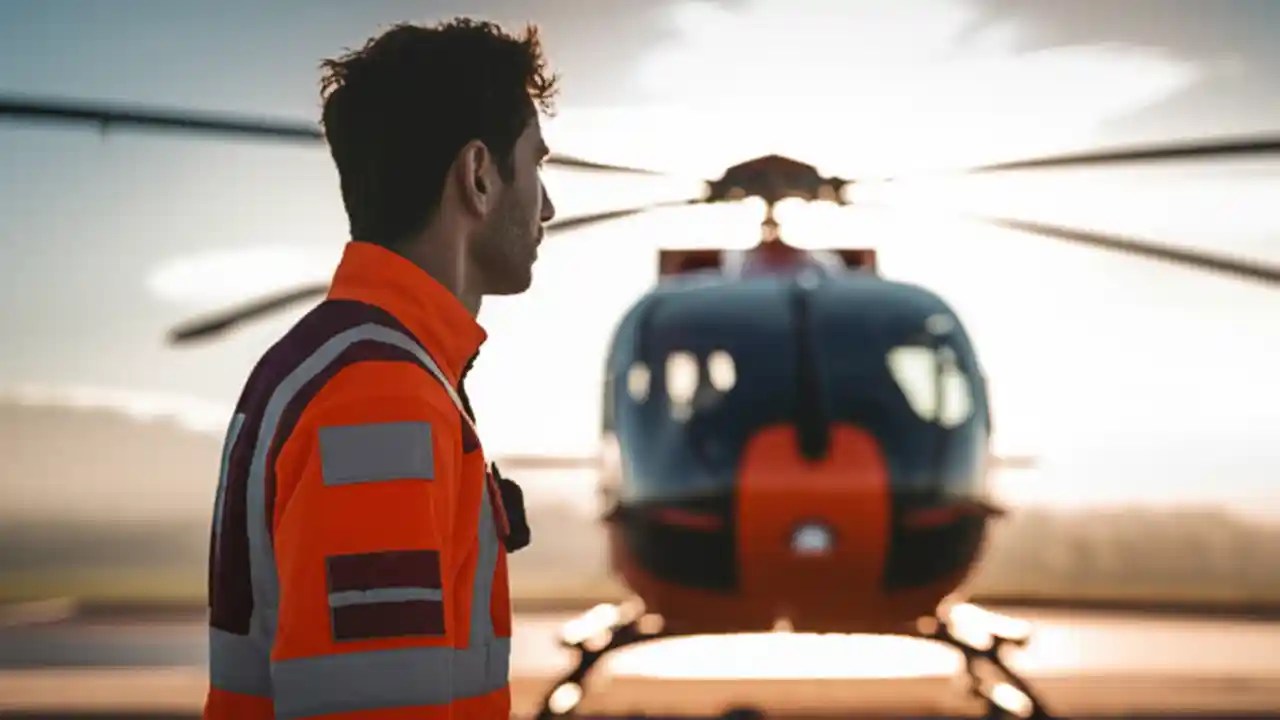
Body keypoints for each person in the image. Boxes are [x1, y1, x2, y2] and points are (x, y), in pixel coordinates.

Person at [203, 18, 556, 719]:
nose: (548, 204)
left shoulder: (356, 365)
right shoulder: (379, 396)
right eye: (538, 163)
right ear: (479, 176)